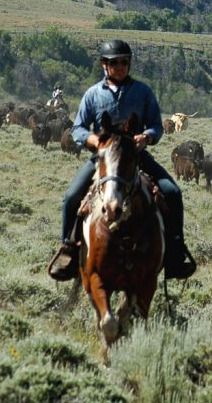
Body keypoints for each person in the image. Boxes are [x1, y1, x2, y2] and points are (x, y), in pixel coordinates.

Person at [48, 39, 193, 281]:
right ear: (104, 65)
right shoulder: (92, 95)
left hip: (136, 158)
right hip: (102, 160)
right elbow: (78, 129)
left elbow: (156, 125)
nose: (121, 67)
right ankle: (68, 251)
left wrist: (146, 137)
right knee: (71, 197)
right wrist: (93, 141)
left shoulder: (143, 92)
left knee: (173, 192)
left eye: (125, 62)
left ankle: (175, 254)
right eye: (115, 62)